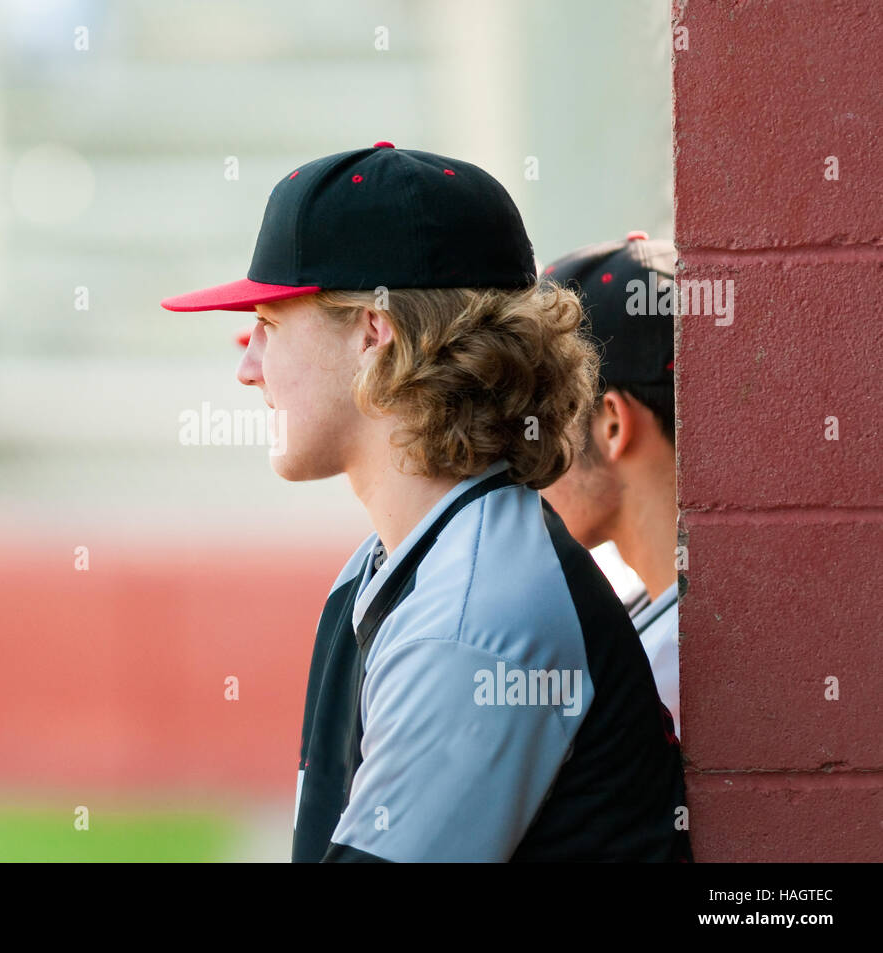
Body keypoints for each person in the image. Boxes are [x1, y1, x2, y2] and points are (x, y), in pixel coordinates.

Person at [162, 142, 690, 862]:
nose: (247, 367)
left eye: (271, 325)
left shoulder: (473, 615)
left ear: (374, 337)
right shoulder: (400, 563)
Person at [538, 234, 682, 740]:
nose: (518, 455)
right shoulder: (657, 616)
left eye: (541, 417)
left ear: (613, 425)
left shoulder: (676, 671)